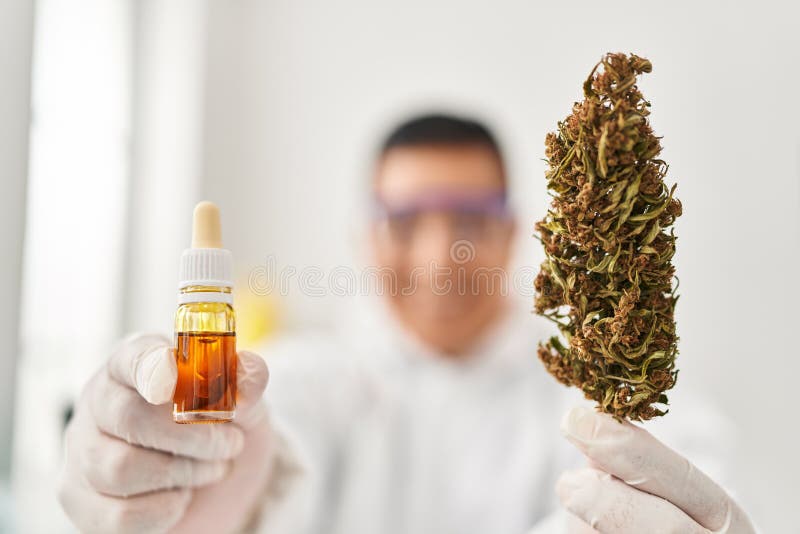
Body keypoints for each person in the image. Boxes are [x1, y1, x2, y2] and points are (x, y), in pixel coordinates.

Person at [57, 114, 757, 533]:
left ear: (514, 233)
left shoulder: (596, 394)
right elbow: (272, 438)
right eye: (404, 221)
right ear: (366, 235)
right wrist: (188, 473)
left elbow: (693, 463)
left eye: (469, 220)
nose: (438, 259)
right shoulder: (307, 377)